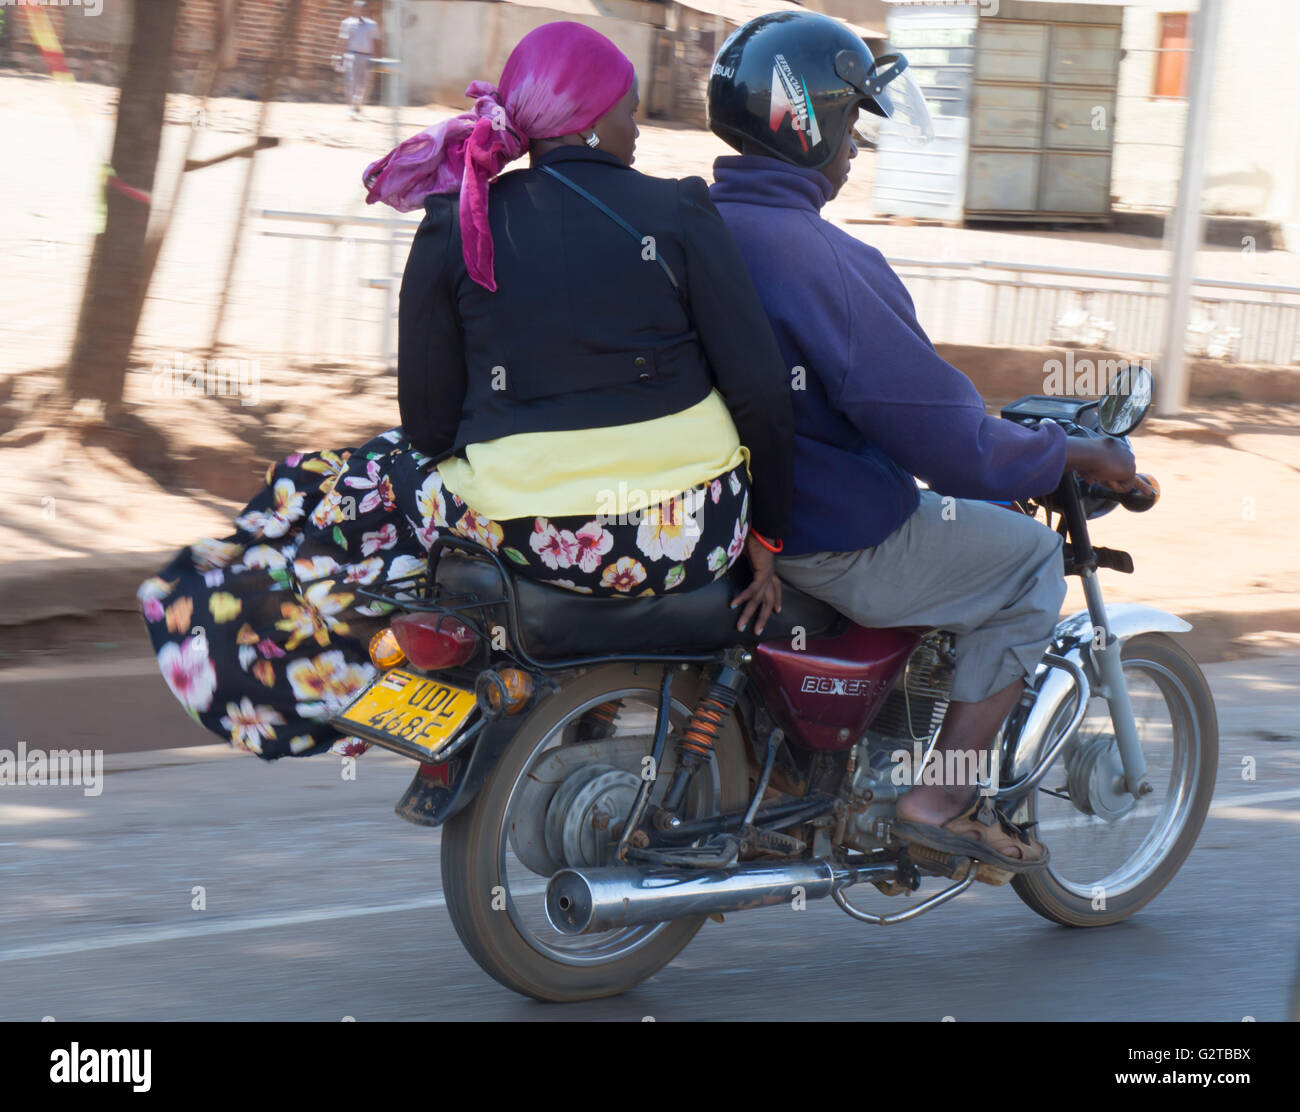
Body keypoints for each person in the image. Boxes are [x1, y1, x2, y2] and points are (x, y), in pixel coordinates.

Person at [138, 22, 793, 761]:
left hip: (522, 539)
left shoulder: (456, 222)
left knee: (329, 486)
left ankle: (288, 661)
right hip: (686, 537)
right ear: (587, 116)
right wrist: (767, 538)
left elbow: (427, 423)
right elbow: (763, 393)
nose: (636, 129)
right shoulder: (680, 209)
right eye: (629, 110)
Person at [705, 12, 1151, 871]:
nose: (856, 150)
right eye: (851, 127)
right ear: (810, 122)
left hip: (730, 518)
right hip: (823, 533)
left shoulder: (695, 226)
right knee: (1022, 559)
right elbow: (943, 440)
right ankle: (942, 796)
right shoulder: (822, 258)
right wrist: (1066, 454)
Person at [338, 0, 379, 118]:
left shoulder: (372, 25)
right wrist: (338, 55)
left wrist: (376, 57)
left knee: (366, 84)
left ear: (366, 10)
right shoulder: (347, 23)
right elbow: (342, 41)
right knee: (351, 82)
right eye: (358, 8)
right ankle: (351, 108)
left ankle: (359, 105)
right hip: (352, 55)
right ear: (354, 9)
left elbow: (376, 41)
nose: (361, 11)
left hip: (367, 56)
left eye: (363, 9)